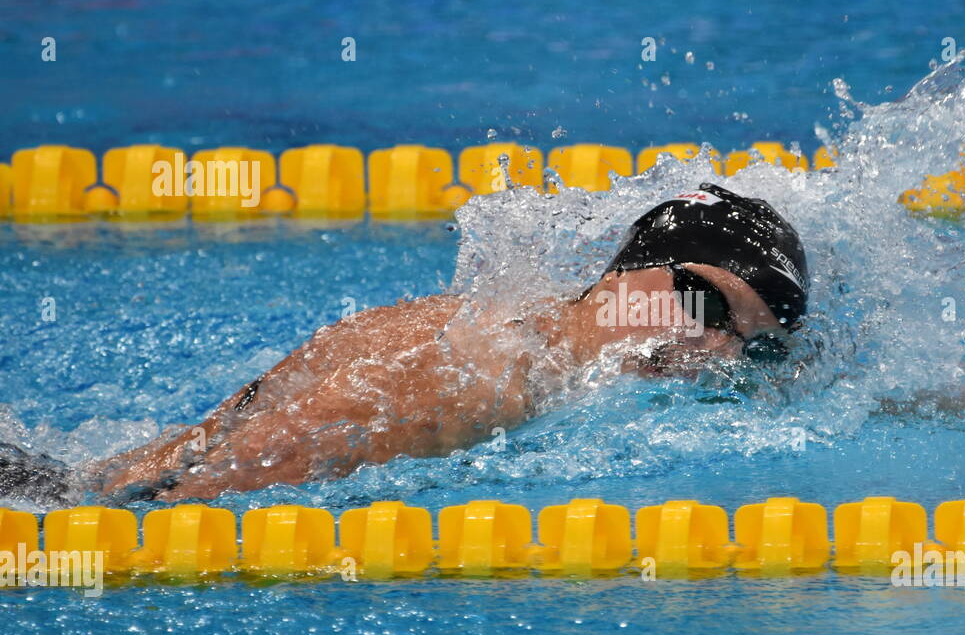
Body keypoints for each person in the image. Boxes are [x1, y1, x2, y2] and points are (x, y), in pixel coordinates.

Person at [1, 184, 810, 503]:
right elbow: (201, 492)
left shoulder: (505, 324)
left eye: (754, 347)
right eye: (701, 301)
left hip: (69, 477)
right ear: (625, 273)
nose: (712, 350)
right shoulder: (489, 381)